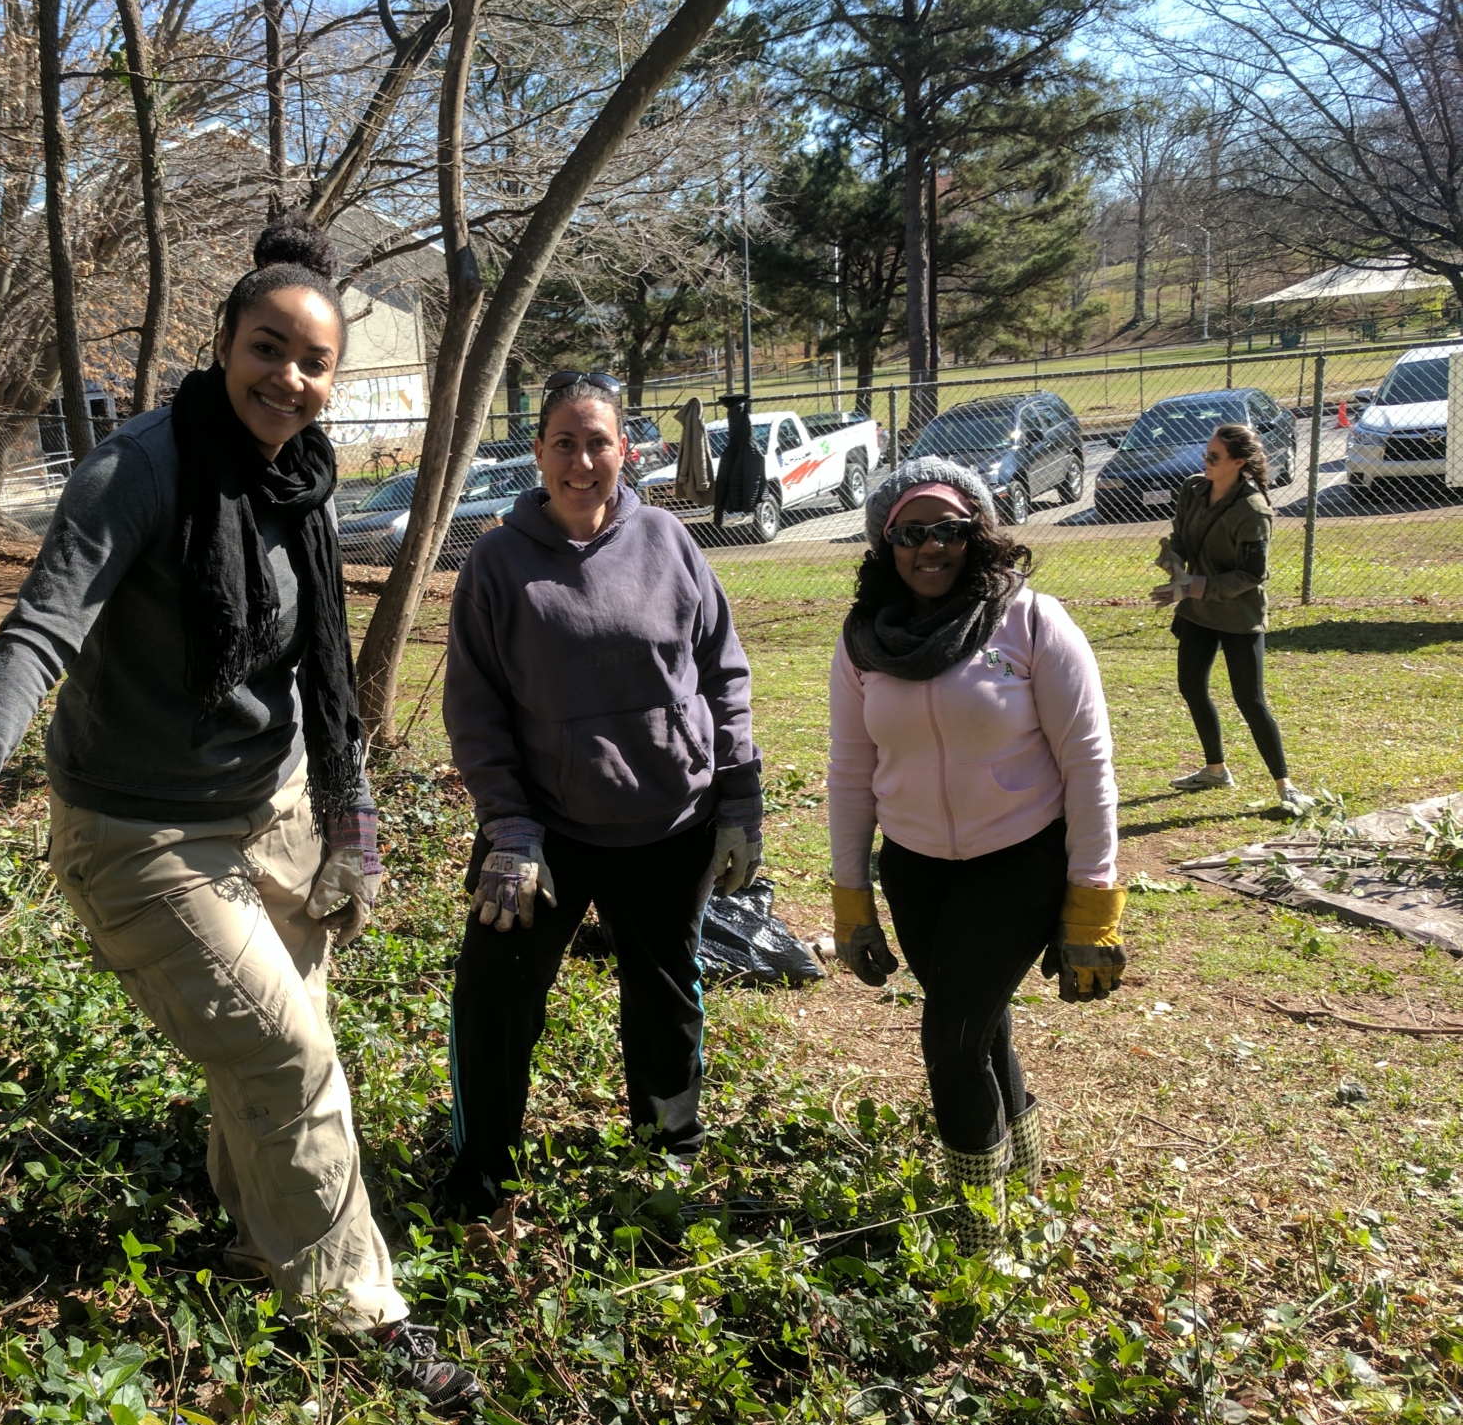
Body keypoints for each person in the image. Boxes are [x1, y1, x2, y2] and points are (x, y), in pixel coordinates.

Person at [0, 215, 480, 1410]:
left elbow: (316, 661)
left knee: (272, 1060)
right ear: (223, 344)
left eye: (313, 362)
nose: (287, 379)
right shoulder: (139, 469)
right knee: (290, 1061)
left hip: (276, 804)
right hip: (142, 833)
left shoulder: (296, 474)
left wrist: (347, 819)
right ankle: (360, 1318)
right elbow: (37, 635)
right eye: (266, 349)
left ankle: (259, 1245)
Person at [440, 370, 763, 1219]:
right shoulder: (497, 563)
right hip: (541, 835)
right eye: (563, 443)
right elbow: (475, 711)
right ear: (538, 452)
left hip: (670, 825)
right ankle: (482, 1169)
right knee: (493, 997)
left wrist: (740, 802)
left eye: (598, 442)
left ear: (626, 449)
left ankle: (670, 1153)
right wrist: (509, 829)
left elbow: (723, 674)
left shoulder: (669, 543)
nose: (582, 461)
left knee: (664, 996)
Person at [825, 460, 1123, 1250]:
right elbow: (851, 773)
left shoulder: (1030, 621)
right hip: (916, 870)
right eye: (911, 532)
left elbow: (1089, 763)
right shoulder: (862, 643)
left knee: (949, 1038)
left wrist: (1091, 905)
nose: (932, 547)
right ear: (886, 543)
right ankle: (1021, 1176)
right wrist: (850, 897)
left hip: (1019, 863)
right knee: (982, 1026)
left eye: (949, 530)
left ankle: (977, 1236)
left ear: (976, 535)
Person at [1155, 422, 1312, 815]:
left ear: (1239, 462)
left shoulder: (1253, 509)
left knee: (1250, 699)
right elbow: (1180, 537)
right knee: (1191, 687)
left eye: (1214, 457)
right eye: (1205, 454)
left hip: (1240, 616)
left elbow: (1252, 575)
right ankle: (1215, 769)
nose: (1205, 462)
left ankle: (1286, 787)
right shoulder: (1193, 489)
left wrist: (1193, 585)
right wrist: (1172, 558)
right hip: (1197, 613)